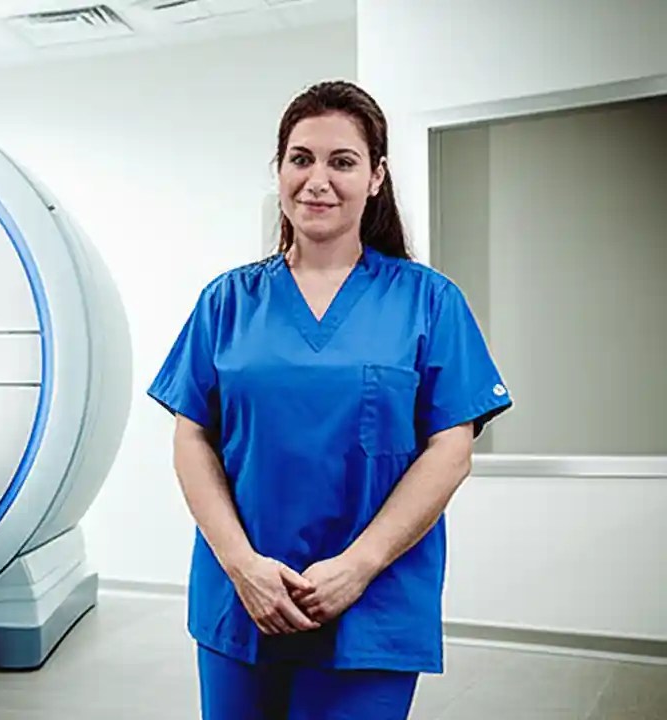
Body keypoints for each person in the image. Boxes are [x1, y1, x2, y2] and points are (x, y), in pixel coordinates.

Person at [147, 80, 513, 719]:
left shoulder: (429, 301)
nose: (318, 179)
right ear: (280, 171)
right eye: (301, 158)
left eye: (342, 161)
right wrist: (242, 565)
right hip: (243, 595)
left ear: (376, 178)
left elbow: (451, 450)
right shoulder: (226, 303)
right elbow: (191, 437)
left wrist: (358, 565)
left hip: (374, 604)